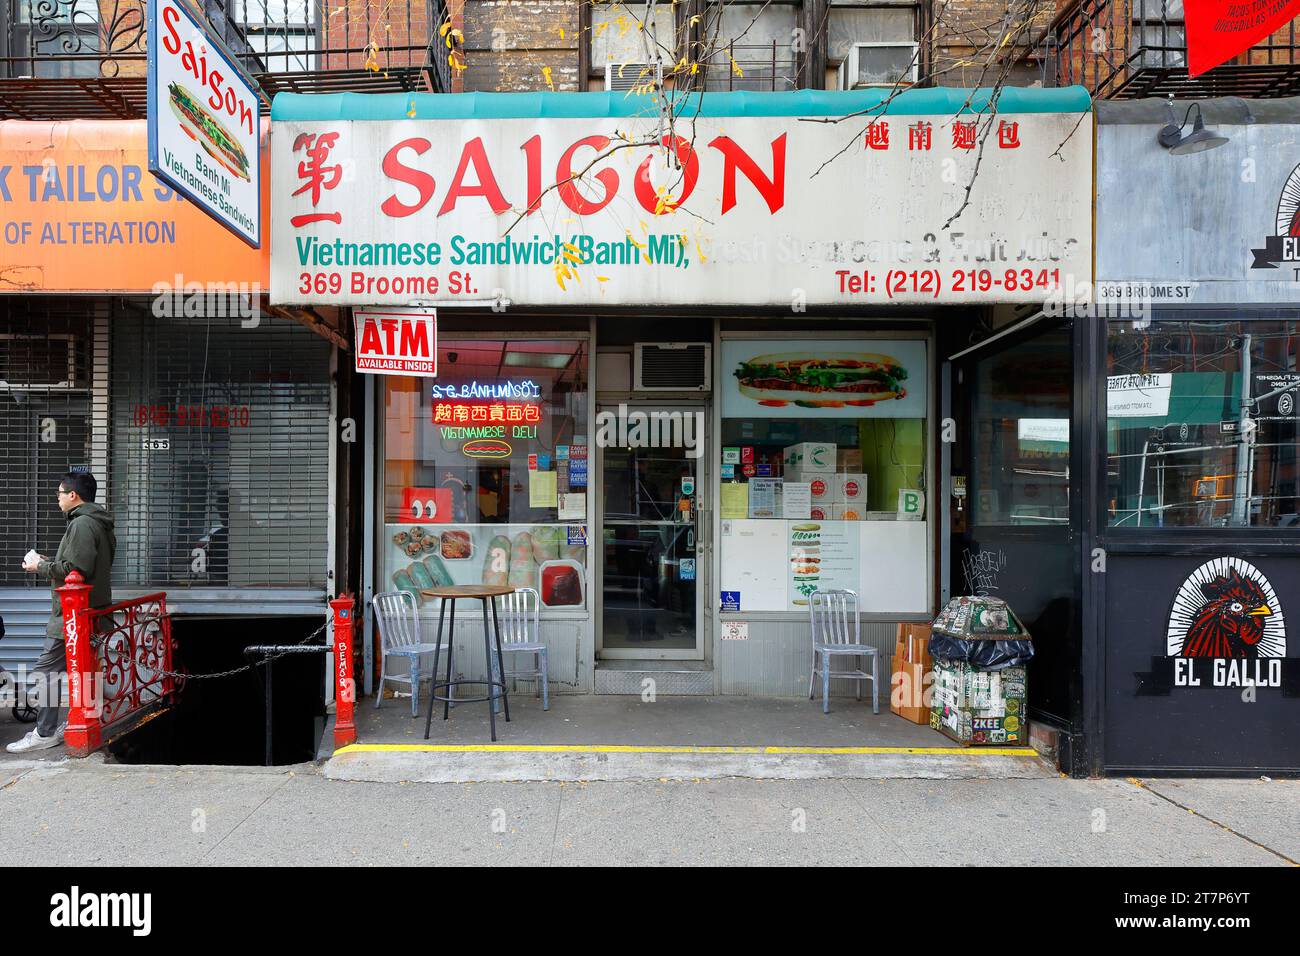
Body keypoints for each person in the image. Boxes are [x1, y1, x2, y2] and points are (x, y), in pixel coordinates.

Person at [7, 472, 116, 754]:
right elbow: (77, 566)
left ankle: (44, 732)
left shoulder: (82, 524)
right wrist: (49, 561)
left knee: (46, 671)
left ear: (73, 495)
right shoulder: (98, 523)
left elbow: (75, 571)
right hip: (91, 610)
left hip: (73, 616)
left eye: (59, 493)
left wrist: (38, 567)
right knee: (86, 670)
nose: (57, 499)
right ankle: (90, 723)